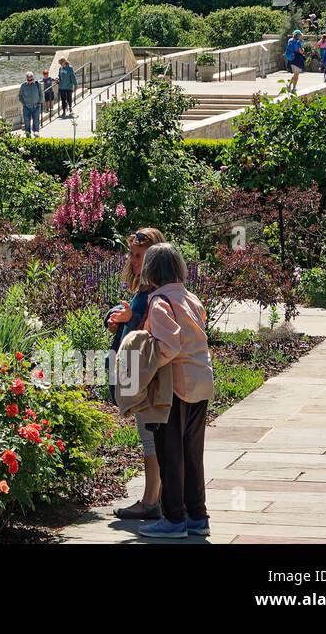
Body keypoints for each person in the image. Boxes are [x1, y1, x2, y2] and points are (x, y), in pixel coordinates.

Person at [135, 243, 213, 539]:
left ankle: (173, 519)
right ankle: (197, 515)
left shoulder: (159, 302)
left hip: (176, 387)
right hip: (201, 381)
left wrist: (148, 361)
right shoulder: (190, 298)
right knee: (193, 453)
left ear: (151, 270)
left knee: (170, 453)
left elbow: (170, 345)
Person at [106, 227, 167, 521]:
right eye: (132, 255)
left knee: (150, 438)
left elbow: (153, 332)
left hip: (146, 374)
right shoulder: (143, 291)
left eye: (140, 255)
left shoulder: (157, 292)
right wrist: (120, 320)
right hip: (138, 370)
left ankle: (150, 501)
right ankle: (156, 498)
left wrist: (132, 320)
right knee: (151, 437)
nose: (134, 261)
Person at [19, 72, 43, 137]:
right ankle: (28, 135)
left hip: (36, 106)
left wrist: (39, 103)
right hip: (26, 107)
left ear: (33, 78)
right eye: (28, 80)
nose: (30, 81)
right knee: (27, 122)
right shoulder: (23, 85)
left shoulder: (37, 84)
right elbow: (20, 96)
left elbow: (41, 94)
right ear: (26, 79)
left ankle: (36, 134)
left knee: (36, 122)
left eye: (31, 79)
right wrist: (24, 104)